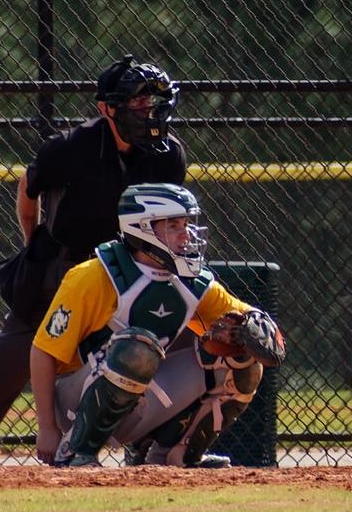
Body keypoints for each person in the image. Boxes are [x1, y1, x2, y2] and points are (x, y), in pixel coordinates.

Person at [0, 56, 187, 462]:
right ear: (106, 109)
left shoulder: (167, 154)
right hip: (64, 268)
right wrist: (33, 242)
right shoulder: (72, 147)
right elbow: (28, 187)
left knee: (170, 341)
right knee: (9, 363)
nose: (148, 110)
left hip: (130, 272)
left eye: (154, 101)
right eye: (136, 102)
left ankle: (156, 445)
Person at [30, 183, 284, 467]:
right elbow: (42, 352)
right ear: (142, 228)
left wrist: (259, 327)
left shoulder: (192, 282)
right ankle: (76, 450)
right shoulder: (94, 277)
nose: (186, 234)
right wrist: (47, 428)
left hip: (140, 401)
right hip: (73, 403)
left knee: (241, 361)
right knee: (137, 347)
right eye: (174, 225)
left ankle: (176, 457)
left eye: (187, 224)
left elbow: (244, 316)